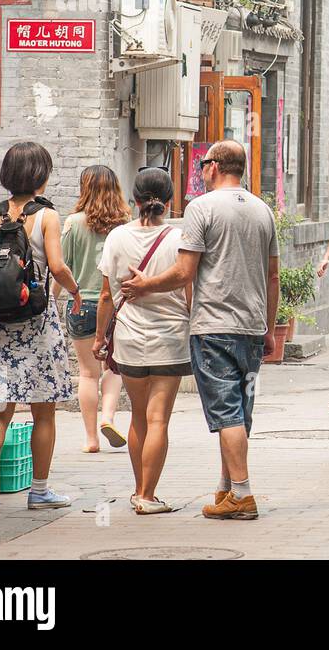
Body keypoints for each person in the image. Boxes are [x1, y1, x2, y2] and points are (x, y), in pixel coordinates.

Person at [121, 140, 278, 520]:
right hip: (252, 326)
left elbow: (183, 273)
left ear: (214, 167)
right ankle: (225, 492)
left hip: (214, 326)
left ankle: (242, 494)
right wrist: (269, 328)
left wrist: (145, 285)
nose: (201, 169)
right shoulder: (262, 210)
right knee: (239, 412)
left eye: (203, 163)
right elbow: (273, 276)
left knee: (226, 413)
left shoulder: (201, 208)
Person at [0, 142, 81, 513]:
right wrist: (74, 291)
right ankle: (40, 490)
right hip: (36, 324)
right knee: (43, 411)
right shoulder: (47, 216)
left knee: (0, 409)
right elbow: (57, 265)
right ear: (40, 176)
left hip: (0, 324)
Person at [94, 168, 191, 514]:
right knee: (158, 419)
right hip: (170, 336)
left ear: (134, 201)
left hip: (129, 337)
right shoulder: (179, 238)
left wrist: (97, 340)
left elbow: (106, 296)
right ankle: (148, 497)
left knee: (137, 415)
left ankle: (139, 490)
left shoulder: (117, 237)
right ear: (168, 202)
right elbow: (189, 290)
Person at [61, 164, 131, 452]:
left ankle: (91, 440)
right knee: (112, 367)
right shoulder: (126, 223)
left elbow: (61, 267)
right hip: (114, 305)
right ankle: (108, 417)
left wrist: (55, 299)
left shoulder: (72, 223)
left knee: (87, 373)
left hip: (79, 304)